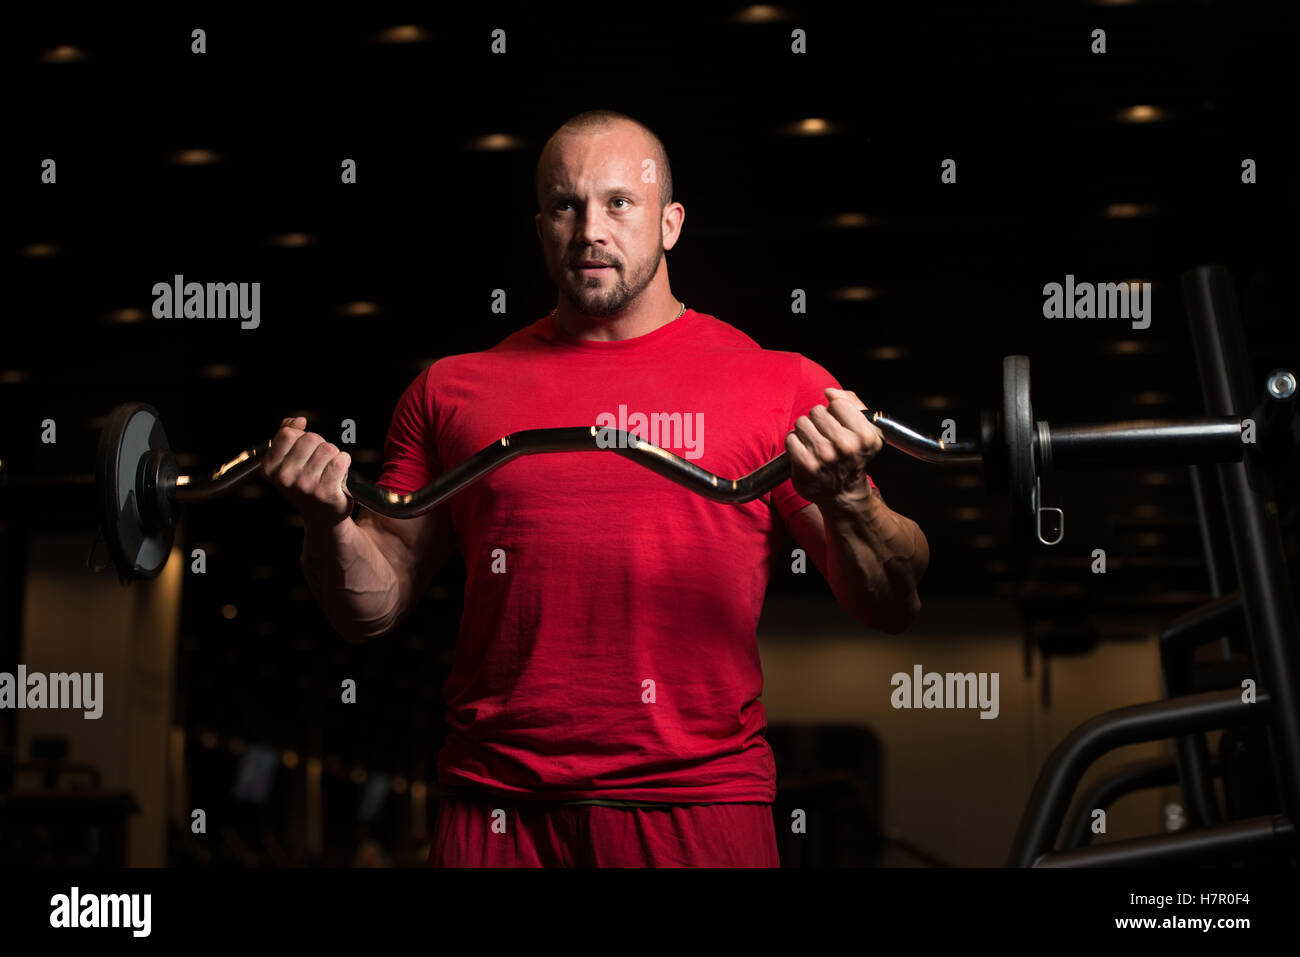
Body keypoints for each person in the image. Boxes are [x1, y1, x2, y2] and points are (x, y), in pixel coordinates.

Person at [265, 110, 930, 867]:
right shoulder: (453, 391)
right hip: (497, 810)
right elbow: (370, 611)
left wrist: (851, 500)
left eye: (620, 202)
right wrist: (328, 525)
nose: (590, 229)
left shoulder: (778, 385)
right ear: (540, 224)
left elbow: (892, 601)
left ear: (671, 223)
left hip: (694, 809)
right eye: (565, 205)